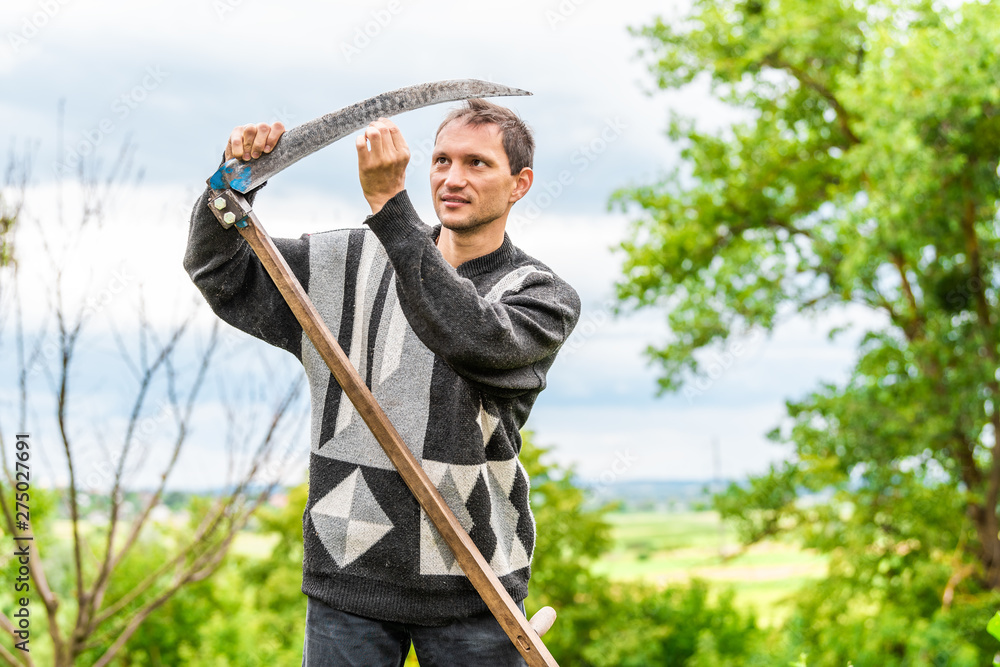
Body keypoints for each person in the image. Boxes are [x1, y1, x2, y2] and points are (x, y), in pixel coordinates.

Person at [184, 99, 580, 666]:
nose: (453, 178)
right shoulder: (349, 260)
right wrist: (230, 182)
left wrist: (391, 209)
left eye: (477, 163)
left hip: (476, 586)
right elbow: (220, 271)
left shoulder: (540, 295)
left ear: (520, 184)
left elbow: (466, 334)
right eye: (442, 160)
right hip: (349, 573)